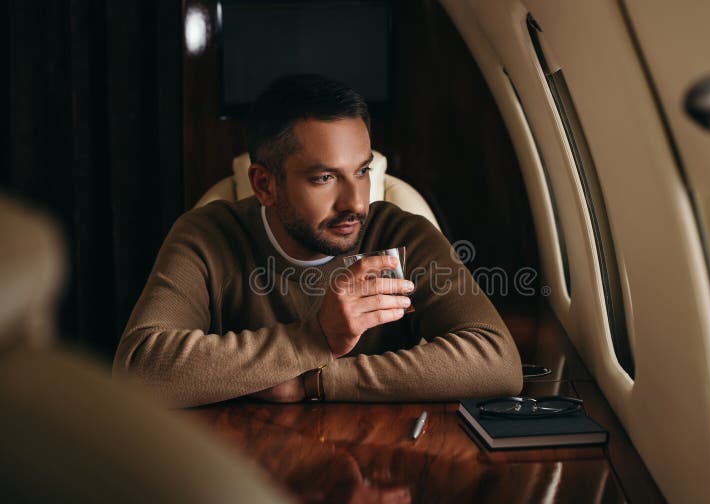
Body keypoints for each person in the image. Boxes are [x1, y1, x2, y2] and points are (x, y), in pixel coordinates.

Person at [113, 74, 522, 407]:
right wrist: (316, 337)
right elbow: (140, 370)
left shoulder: (403, 234)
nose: (355, 202)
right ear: (264, 184)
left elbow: (497, 362)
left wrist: (318, 382)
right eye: (324, 178)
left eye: (361, 172)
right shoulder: (205, 236)